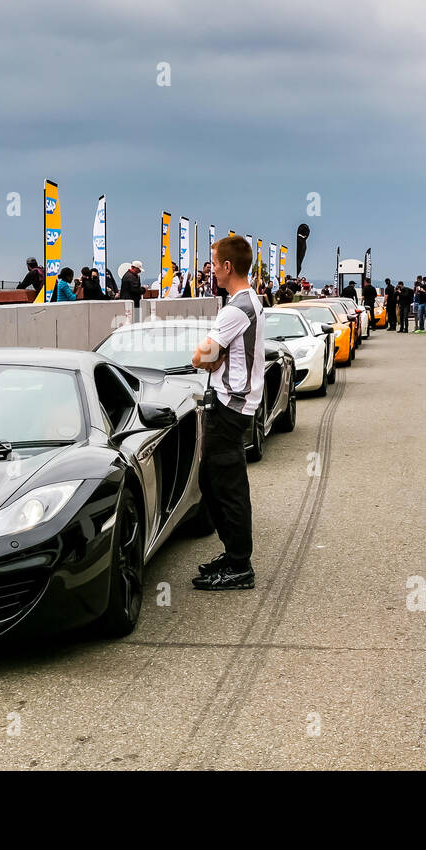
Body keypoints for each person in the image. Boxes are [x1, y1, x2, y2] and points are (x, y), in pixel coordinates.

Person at [190, 235, 263, 592]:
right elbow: (215, 355)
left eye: (215, 263)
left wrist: (212, 358)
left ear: (228, 266)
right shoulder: (249, 302)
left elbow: (198, 357)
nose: (212, 269)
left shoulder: (236, 309)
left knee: (227, 486)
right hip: (234, 403)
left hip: (229, 405)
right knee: (213, 480)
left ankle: (239, 565)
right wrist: (216, 357)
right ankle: (234, 554)